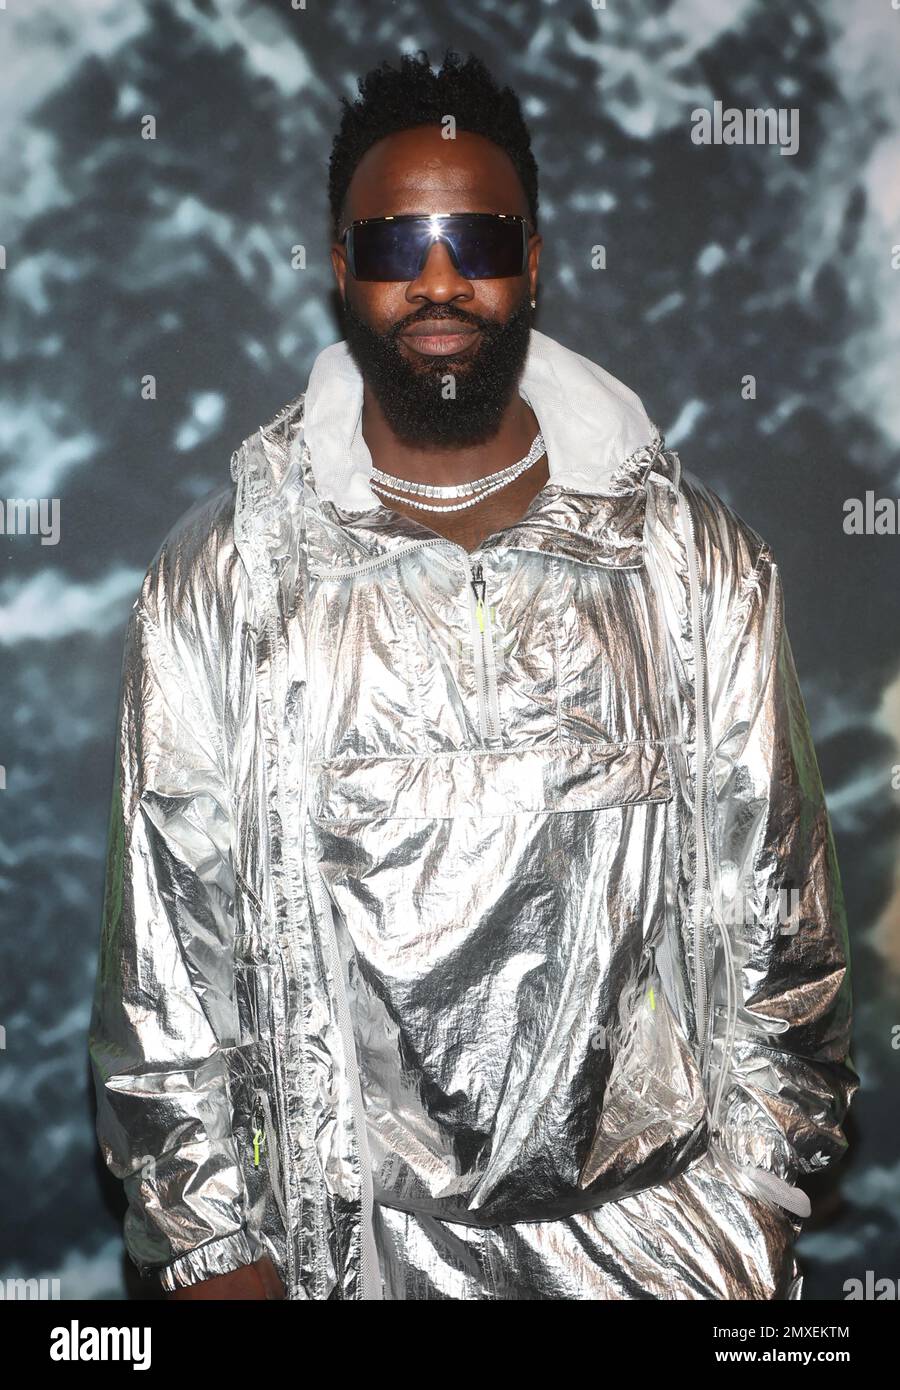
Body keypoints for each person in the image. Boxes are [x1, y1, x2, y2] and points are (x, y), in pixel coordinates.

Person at [88, 49, 859, 1301]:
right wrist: (213, 1254)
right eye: (395, 246)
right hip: (351, 1268)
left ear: (535, 261)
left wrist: (751, 1210)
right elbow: (172, 963)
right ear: (341, 270)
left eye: (474, 237)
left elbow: (781, 926)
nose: (437, 280)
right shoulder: (223, 578)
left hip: (662, 1255)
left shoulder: (691, 562)